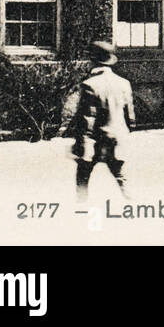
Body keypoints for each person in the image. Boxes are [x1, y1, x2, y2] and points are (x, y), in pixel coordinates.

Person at [68, 40, 135, 204]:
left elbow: (88, 119)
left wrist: (82, 144)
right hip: (117, 138)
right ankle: (134, 205)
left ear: (93, 60)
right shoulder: (124, 83)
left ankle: (81, 207)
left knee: (83, 175)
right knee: (121, 177)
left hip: (97, 140)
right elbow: (131, 118)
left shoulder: (90, 85)